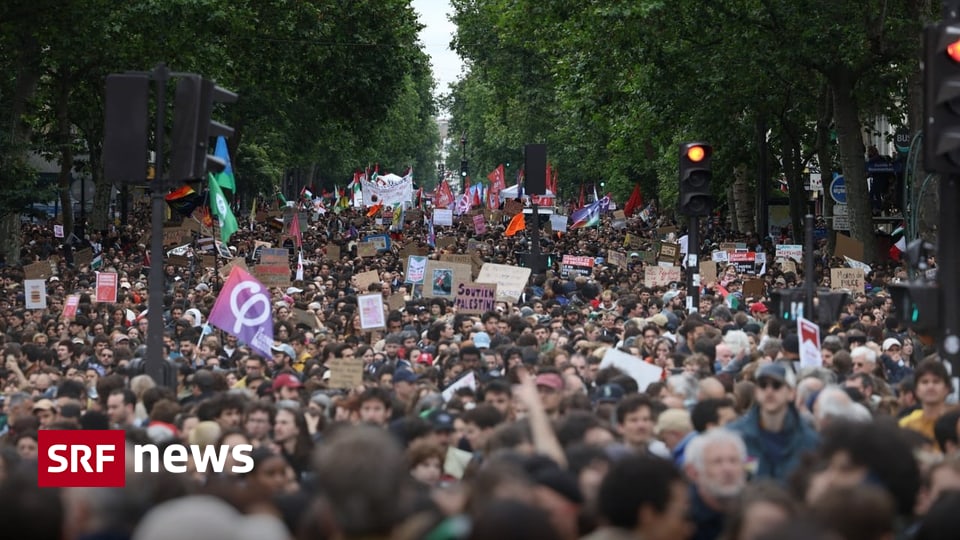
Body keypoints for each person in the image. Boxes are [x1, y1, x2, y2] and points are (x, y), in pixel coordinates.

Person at [726, 363, 818, 481]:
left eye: (777, 385)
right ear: (756, 392)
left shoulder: (809, 440)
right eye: (763, 385)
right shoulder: (735, 436)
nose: (769, 391)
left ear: (791, 393)